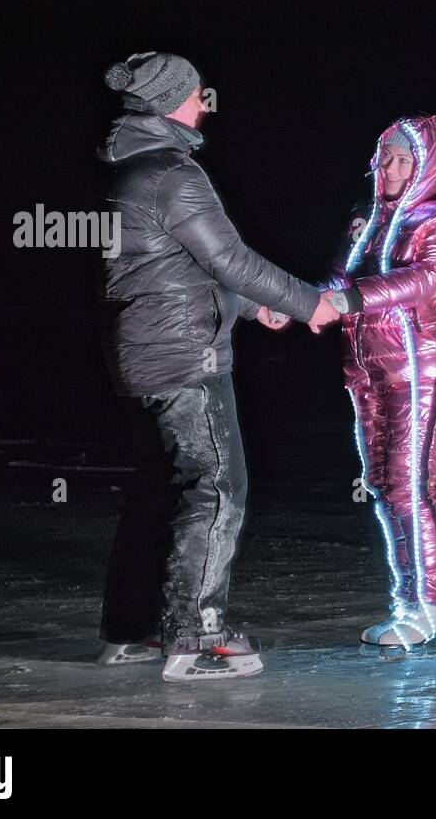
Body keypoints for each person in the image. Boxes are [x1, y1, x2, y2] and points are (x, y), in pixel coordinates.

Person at [94, 52, 342, 681]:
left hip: (141, 354)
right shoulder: (175, 173)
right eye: (199, 93)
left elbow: (174, 270)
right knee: (216, 489)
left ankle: (128, 631)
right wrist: (310, 303)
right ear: (172, 101)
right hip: (185, 360)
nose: (207, 102)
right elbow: (228, 259)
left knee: (159, 490)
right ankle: (193, 637)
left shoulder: (128, 171)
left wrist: (257, 310)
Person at [265, 114, 436, 654]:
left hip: (423, 367)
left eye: (406, 160)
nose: (394, 169)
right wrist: (292, 306)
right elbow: (338, 279)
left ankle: (430, 608)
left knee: (411, 484)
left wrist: (350, 299)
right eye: (387, 159)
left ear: (427, 166)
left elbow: (431, 278)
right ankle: (406, 604)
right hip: (369, 371)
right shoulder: (366, 218)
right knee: (383, 486)